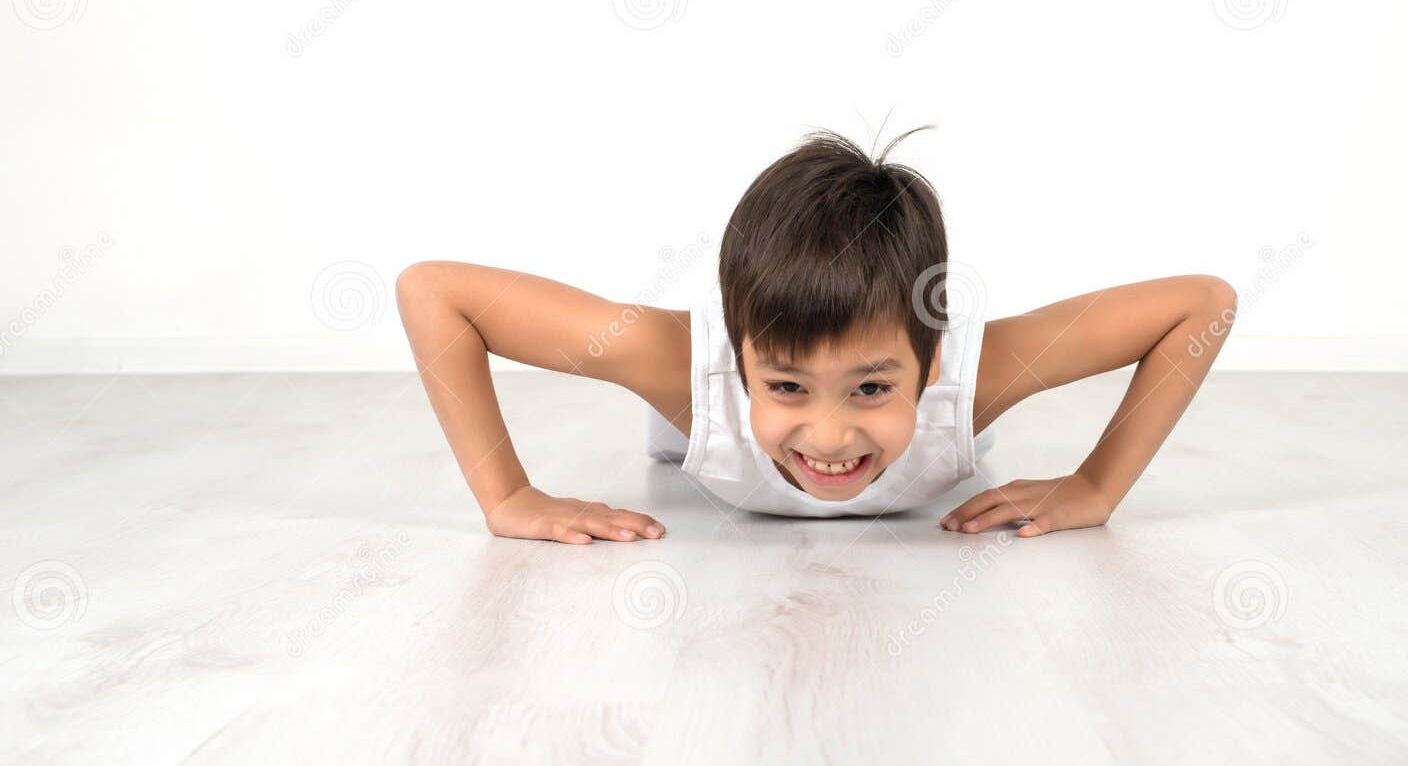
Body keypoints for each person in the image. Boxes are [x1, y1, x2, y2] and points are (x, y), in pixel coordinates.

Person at [396, 128, 1236, 543]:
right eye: (788, 386)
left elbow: (1201, 304)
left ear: (932, 363)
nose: (829, 437)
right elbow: (434, 293)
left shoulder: (970, 380)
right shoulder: (682, 368)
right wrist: (506, 496)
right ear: (738, 363)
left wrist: (1097, 488)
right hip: (698, 403)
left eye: (872, 388)